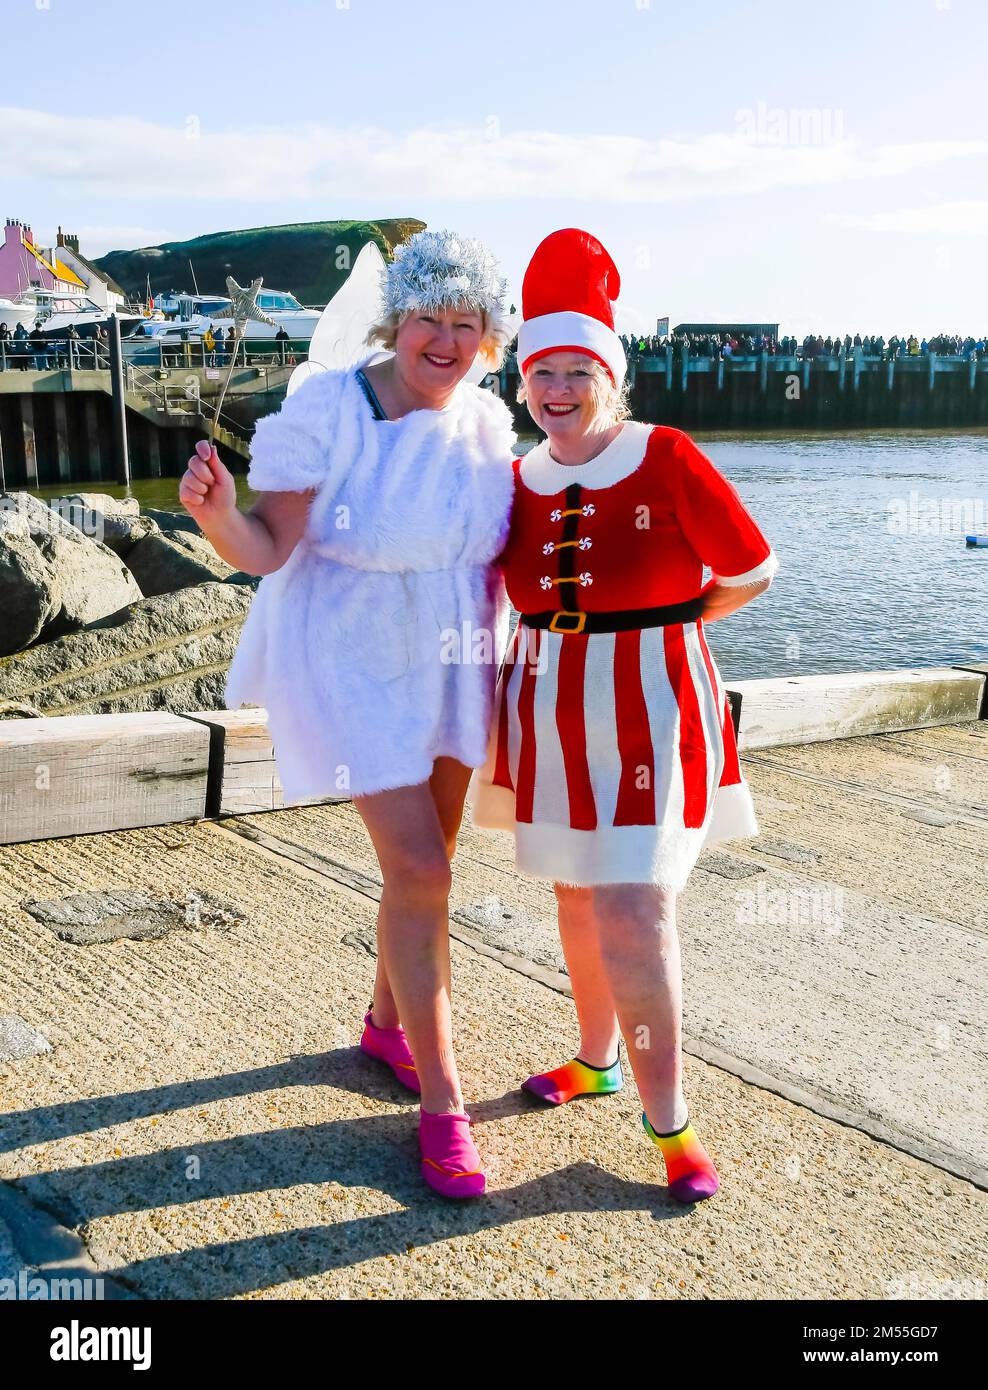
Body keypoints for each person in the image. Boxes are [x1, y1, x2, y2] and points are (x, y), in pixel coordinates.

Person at [179, 230, 516, 1199]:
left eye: (467, 324)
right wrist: (214, 515)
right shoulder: (329, 408)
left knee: (434, 867)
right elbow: (267, 547)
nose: (446, 343)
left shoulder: (488, 425)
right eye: (429, 321)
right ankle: (444, 1102)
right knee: (418, 868)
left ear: (488, 336)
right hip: (354, 656)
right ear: (395, 320)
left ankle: (383, 1027)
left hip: (457, 654)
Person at [470, 229, 779, 1204]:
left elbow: (752, 566)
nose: (556, 388)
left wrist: (673, 626)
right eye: (540, 373)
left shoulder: (665, 454)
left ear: (611, 374)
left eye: (577, 370)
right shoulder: (515, 479)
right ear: (521, 384)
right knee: (572, 894)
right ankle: (596, 1057)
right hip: (548, 706)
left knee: (635, 908)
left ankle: (669, 1117)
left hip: (655, 710)